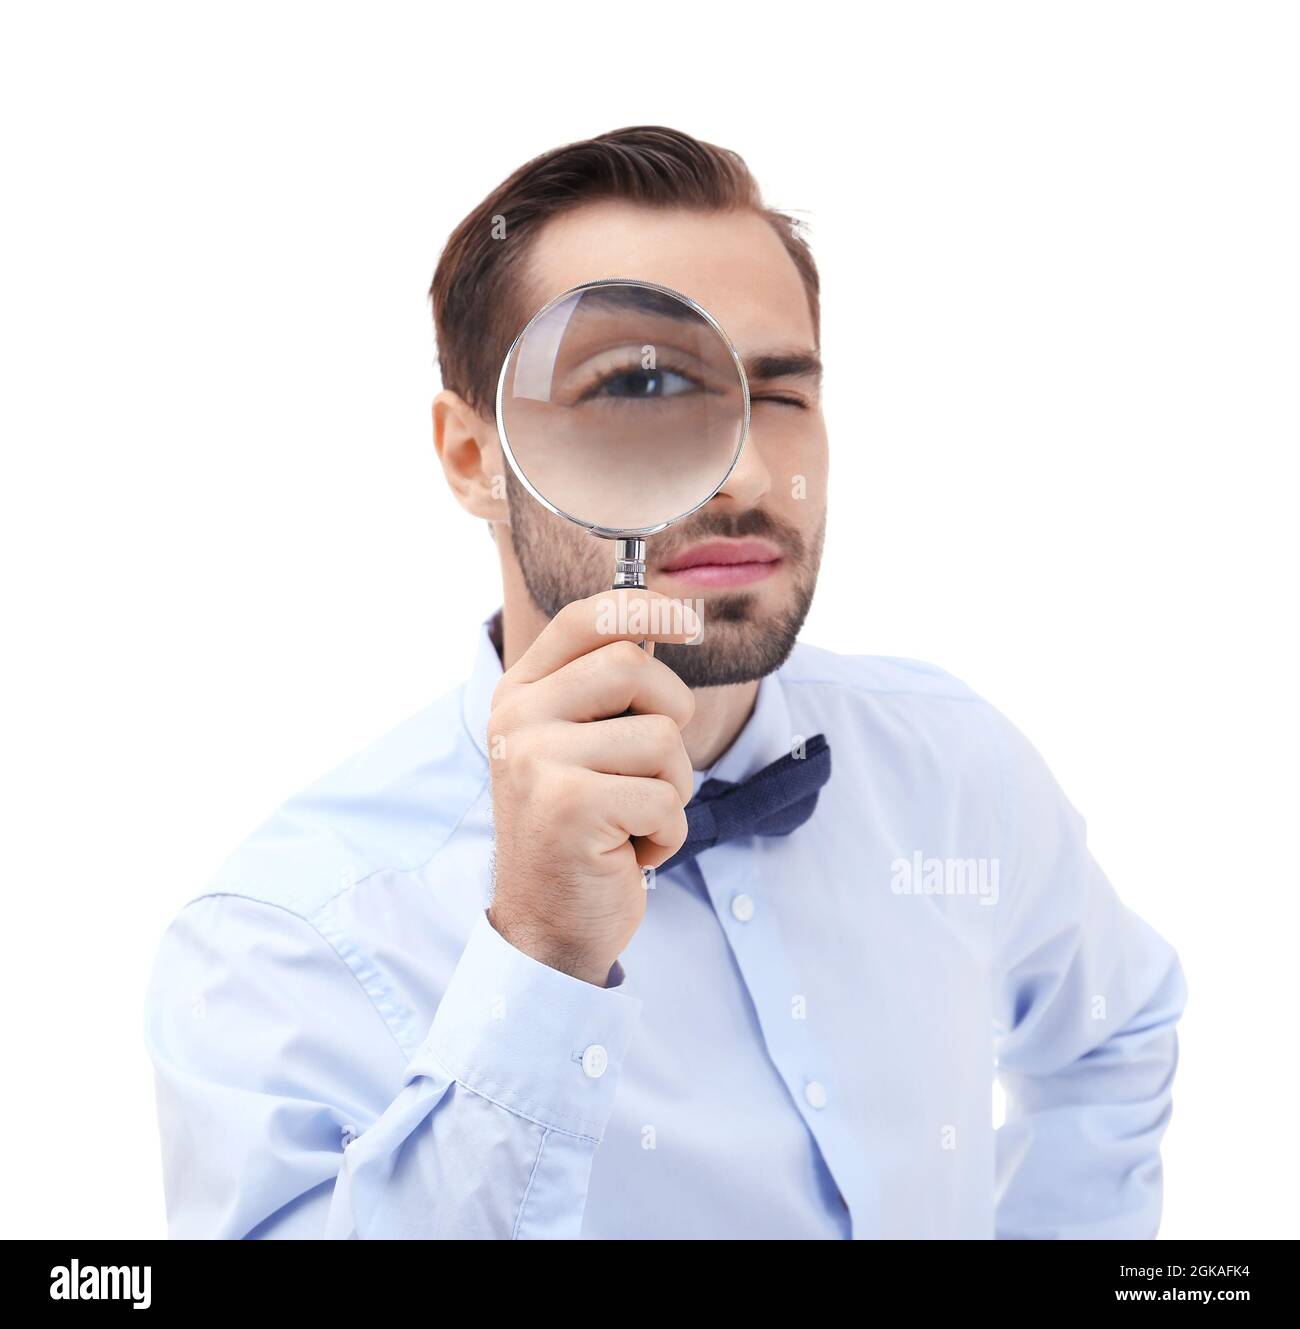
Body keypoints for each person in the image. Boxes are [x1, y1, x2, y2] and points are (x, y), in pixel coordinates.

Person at [144, 125, 1186, 1239]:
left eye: (778, 394)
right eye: (639, 389)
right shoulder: (280, 937)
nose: (740, 469)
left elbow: (1110, 1033)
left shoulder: (956, 764)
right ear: (471, 459)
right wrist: (537, 959)